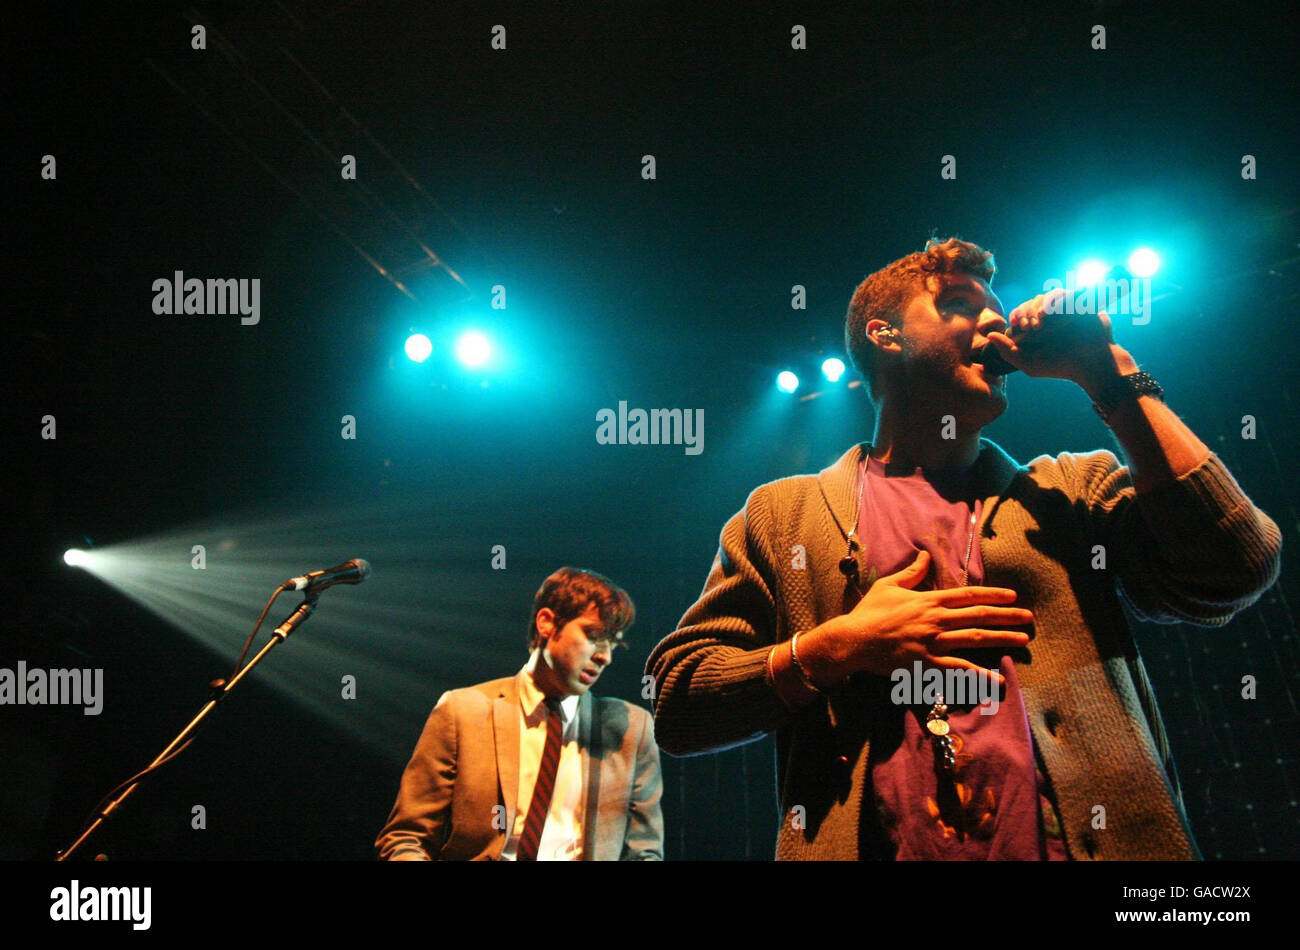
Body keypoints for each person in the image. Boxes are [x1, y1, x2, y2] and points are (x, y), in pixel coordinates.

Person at [645, 237, 1281, 860]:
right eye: (958, 304)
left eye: (997, 312)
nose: (995, 323)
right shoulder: (783, 514)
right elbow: (676, 703)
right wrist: (834, 648)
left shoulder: (1068, 488)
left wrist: (1106, 368)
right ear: (884, 335)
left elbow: (1235, 566)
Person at [377, 567, 664, 860]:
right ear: (547, 623)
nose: (605, 656)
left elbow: (645, 852)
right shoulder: (462, 711)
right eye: (593, 636)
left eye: (614, 642)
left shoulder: (632, 729)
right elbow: (407, 837)